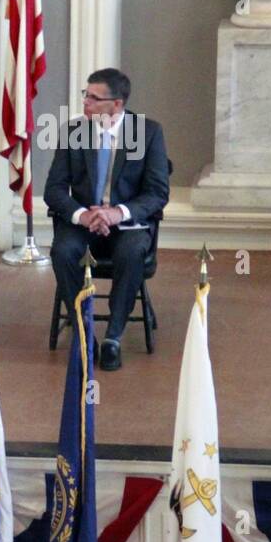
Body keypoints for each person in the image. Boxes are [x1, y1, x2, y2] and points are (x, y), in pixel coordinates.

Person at [44, 68, 170, 372]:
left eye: (94, 98)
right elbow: (54, 190)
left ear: (117, 104)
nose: (86, 103)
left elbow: (156, 193)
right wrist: (84, 215)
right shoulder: (75, 132)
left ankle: (113, 336)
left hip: (128, 225)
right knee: (62, 251)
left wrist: (117, 213)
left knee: (132, 252)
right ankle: (84, 333)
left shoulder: (148, 132)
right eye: (85, 95)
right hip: (84, 224)